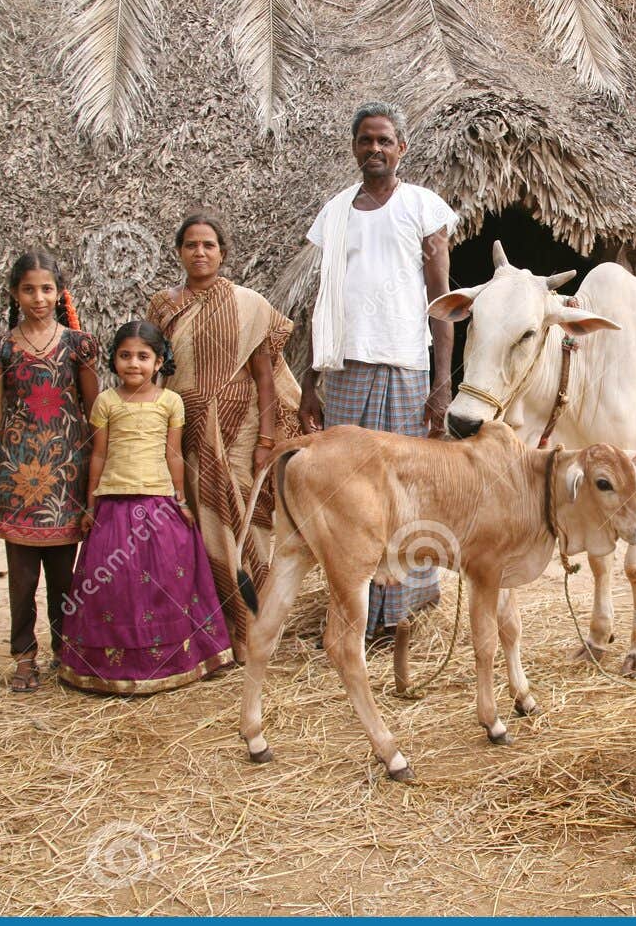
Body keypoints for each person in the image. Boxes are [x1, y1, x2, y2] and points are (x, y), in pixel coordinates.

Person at [301, 101, 458, 641]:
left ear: (401, 148)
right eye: (366, 140)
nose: (375, 149)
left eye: (385, 140)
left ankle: (405, 609)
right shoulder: (334, 213)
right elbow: (322, 301)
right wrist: (310, 384)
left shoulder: (423, 207)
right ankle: (356, 609)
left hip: (407, 366)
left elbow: (443, 301)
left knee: (407, 488)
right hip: (345, 368)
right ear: (354, 147)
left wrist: (442, 387)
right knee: (350, 492)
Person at [148, 212, 302, 662]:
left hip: (242, 429)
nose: (200, 252)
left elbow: (265, 376)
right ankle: (216, 632)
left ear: (222, 252)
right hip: (185, 428)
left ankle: (256, 629)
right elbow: (156, 369)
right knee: (201, 525)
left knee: (250, 527)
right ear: (179, 251)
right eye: (191, 245)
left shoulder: (249, 304)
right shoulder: (162, 305)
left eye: (209, 245)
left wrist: (266, 440)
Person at [57, 322, 233, 694]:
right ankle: (109, 666)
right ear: (114, 360)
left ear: (158, 363)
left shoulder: (170, 402)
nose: (133, 364)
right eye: (125, 356)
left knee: (165, 580)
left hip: (158, 506)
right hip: (114, 506)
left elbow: (174, 455)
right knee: (113, 586)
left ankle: (172, 661)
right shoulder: (107, 402)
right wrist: (91, 505)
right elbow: (99, 455)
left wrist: (181, 500)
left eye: (142, 356)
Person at [0, 250, 99, 694]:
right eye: (28, 289)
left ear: (59, 292)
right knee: (23, 575)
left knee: (65, 576)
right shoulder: (0, 348)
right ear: (14, 293)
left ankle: (65, 651)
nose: (38, 298)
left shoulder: (78, 345)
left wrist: (95, 482)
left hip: (67, 473)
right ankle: (24, 656)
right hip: (16, 472)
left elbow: (95, 412)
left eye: (46, 289)